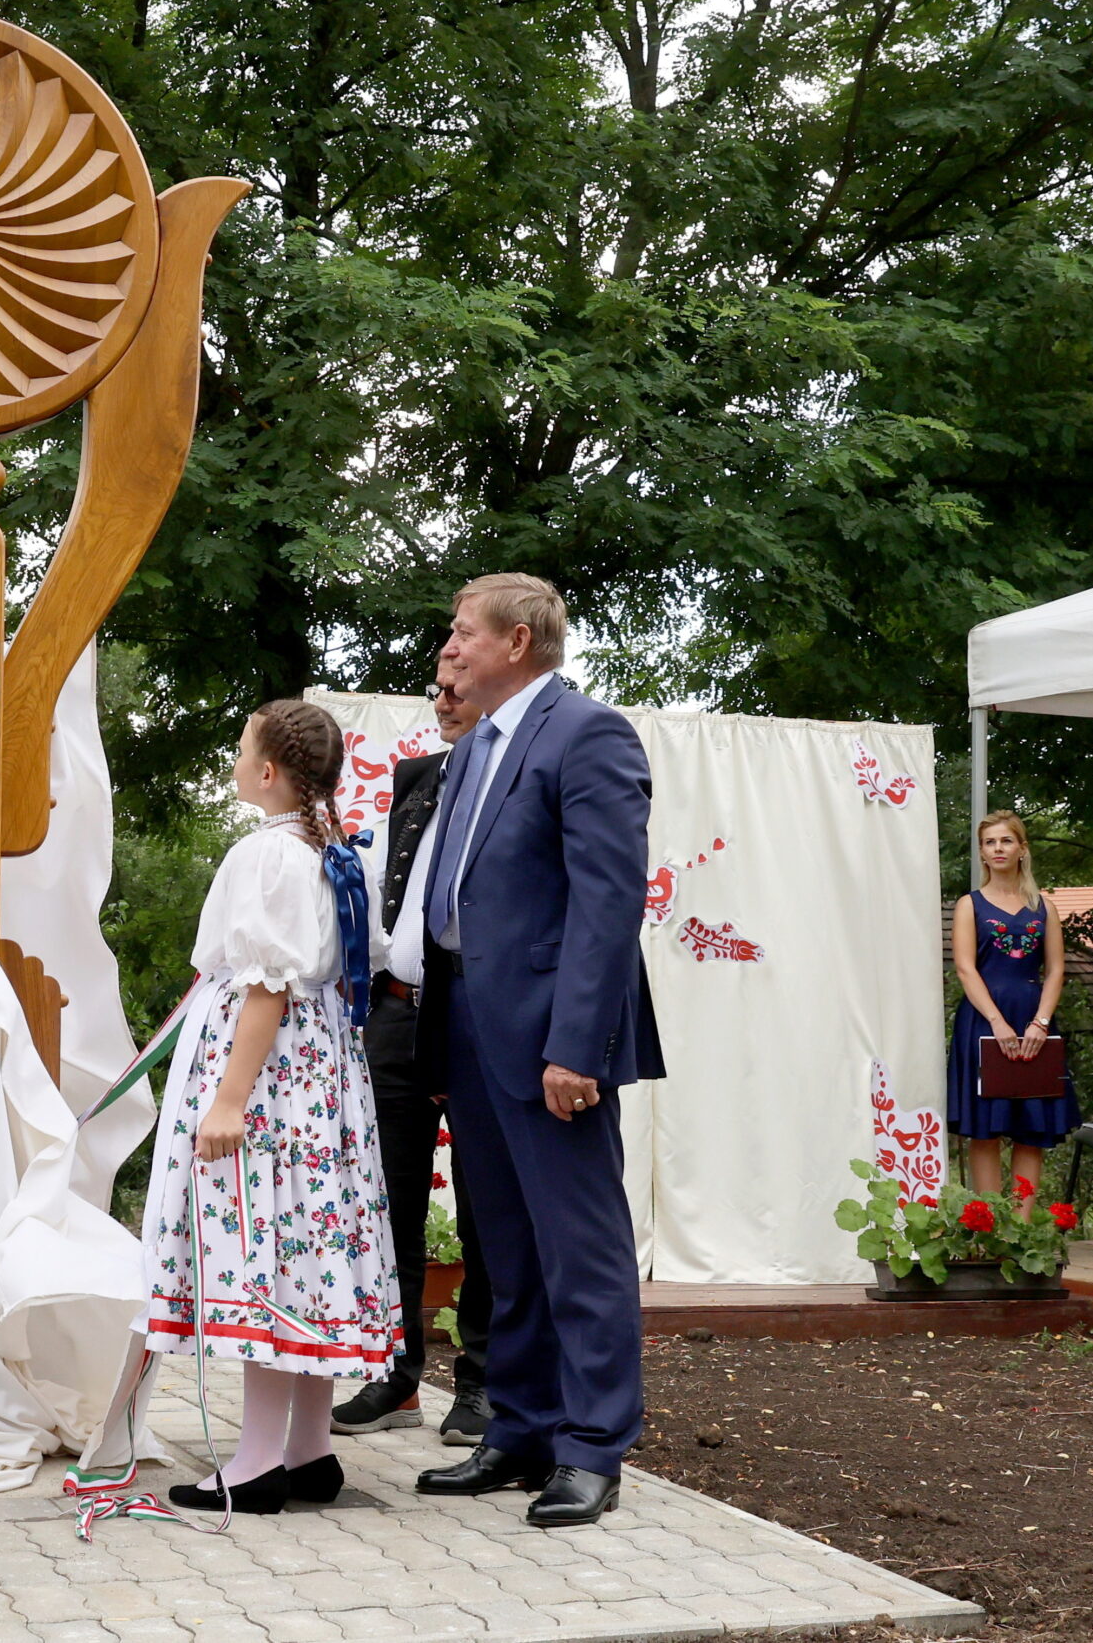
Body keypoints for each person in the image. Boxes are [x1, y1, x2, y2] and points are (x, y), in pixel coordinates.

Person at [412, 573, 663, 1530]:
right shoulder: (477, 745)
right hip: (470, 1020)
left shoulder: (590, 734)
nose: (448, 648)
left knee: (578, 1244)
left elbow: (607, 902)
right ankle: (518, 1428)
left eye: (461, 633)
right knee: (504, 1247)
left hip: (549, 1036)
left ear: (518, 641)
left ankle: (593, 1447)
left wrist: (578, 1047)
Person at [140, 699, 401, 1516]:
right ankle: (308, 1450)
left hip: (273, 1074)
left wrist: (228, 1100)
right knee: (306, 1244)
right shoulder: (331, 852)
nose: (235, 760)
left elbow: (266, 985)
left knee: (266, 1245)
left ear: (267, 771)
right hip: (322, 1071)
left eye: (242, 748)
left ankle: (256, 1465)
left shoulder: (269, 856)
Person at [332, 668, 495, 1446]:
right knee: (388, 1203)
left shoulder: (513, 787)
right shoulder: (417, 779)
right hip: (397, 1014)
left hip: (476, 1017)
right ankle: (395, 1377)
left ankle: (484, 1384)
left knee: (485, 1206)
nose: (443, 695)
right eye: (438, 684)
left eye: (458, 679)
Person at [949, 810, 1076, 1213]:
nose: (998, 849)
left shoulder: (1045, 908)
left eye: (1006, 841)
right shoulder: (970, 905)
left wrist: (1040, 1023)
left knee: (1030, 1128)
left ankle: (1022, 1232)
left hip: (1035, 1022)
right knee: (984, 1130)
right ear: (982, 854)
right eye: (989, 843)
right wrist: (998, 1022)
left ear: (1022, 849)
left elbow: (1056, 969)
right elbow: (966, 968)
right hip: (983, 1024)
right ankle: (991, 1229)